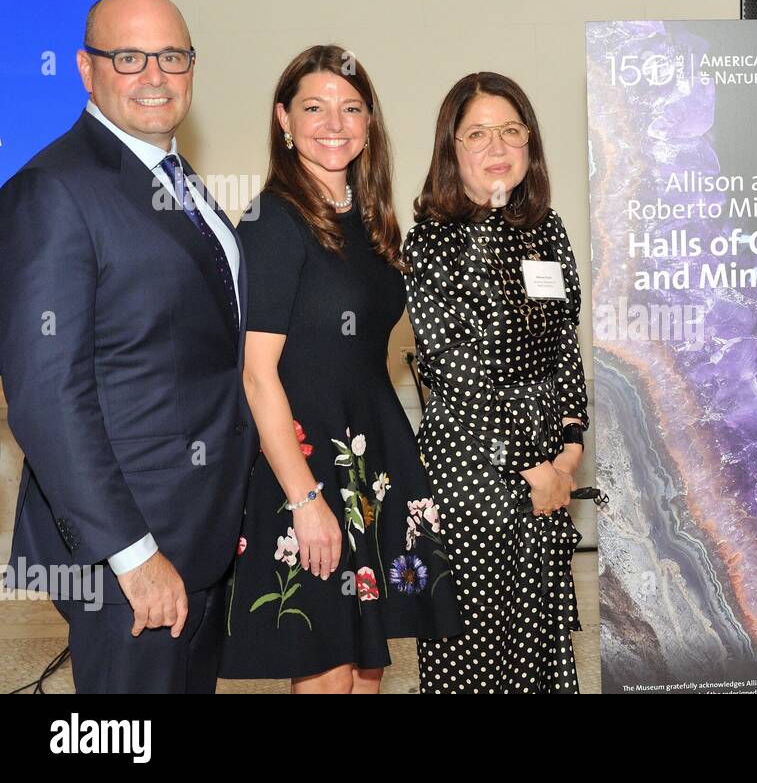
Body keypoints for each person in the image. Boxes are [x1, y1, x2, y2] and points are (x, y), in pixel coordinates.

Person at [0, 0, 255, 693]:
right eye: (130, 56)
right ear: (87, 69)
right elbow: (46, 394)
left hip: (197, 536)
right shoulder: (53, 190)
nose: (154, 76)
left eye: (172, 56)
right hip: (129, 558)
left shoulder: (175, 177)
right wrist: (133, 554)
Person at [220, 46, 461, 692]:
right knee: (326, 671)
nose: (335, 123)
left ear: (370, 122)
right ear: (284, 120)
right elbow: (255, 374)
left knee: (366, 668)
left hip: (369, 461)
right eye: (315, 107)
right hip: (304, 470)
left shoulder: (371, 220)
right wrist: (304, 499)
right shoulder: (274, 220)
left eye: (351, 108)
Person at [405, 71, 587, 693]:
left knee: (538, 644)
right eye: (477, 133)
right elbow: (453, 368)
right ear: (451, 149)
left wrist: (569, 445)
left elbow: (564, 342)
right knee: (476, 654)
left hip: (545, 470)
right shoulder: (431, 237)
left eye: (511, 130)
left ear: (530, 145)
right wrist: (533, 465)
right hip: (472, 474)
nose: (497, 147)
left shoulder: (546, 228)